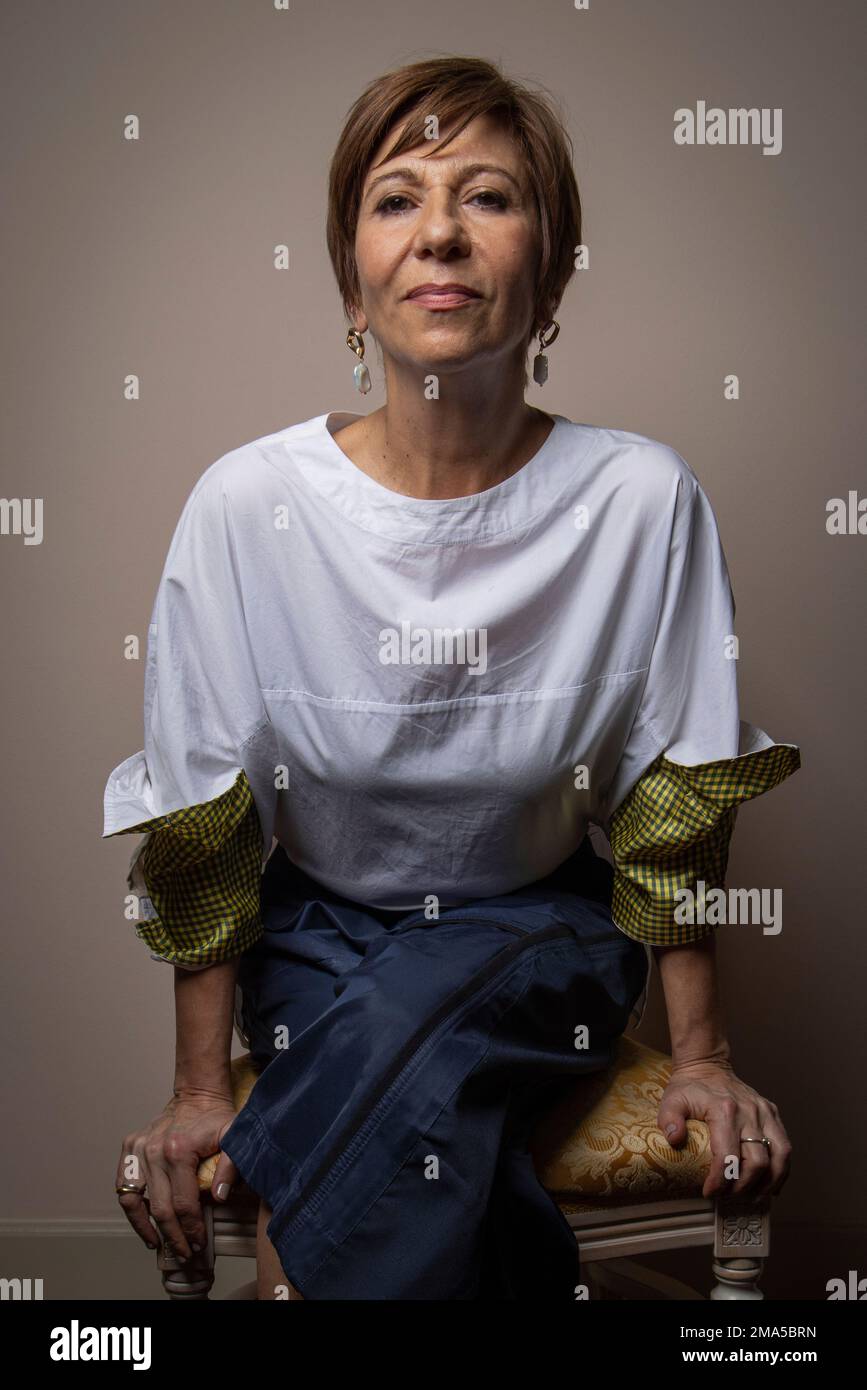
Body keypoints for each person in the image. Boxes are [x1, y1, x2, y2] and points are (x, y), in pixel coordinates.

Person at [105, 55, 800, 1301]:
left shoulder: (643, 501)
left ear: (551, 270)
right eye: (396, 199)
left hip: (542, 933)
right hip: (314, 936)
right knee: (410, 1074)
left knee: (395, 1030)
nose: (439, 233)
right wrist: (201, 1089)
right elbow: (207, 828)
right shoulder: (246, 505)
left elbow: (673, 803)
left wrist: (705, 1056)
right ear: (350, 281)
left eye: (487, 196)